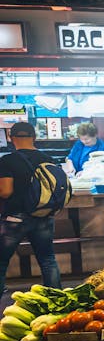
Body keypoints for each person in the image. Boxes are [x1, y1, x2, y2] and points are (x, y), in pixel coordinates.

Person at [0, 123, 62, 294]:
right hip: (43, 216)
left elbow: (5, 192)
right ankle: (57, 299)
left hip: (15, 218)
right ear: (34, 137)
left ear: (11, 138)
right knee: (47, 259)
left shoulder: (7, 161)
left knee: (2, 262)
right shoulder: (48, 159)